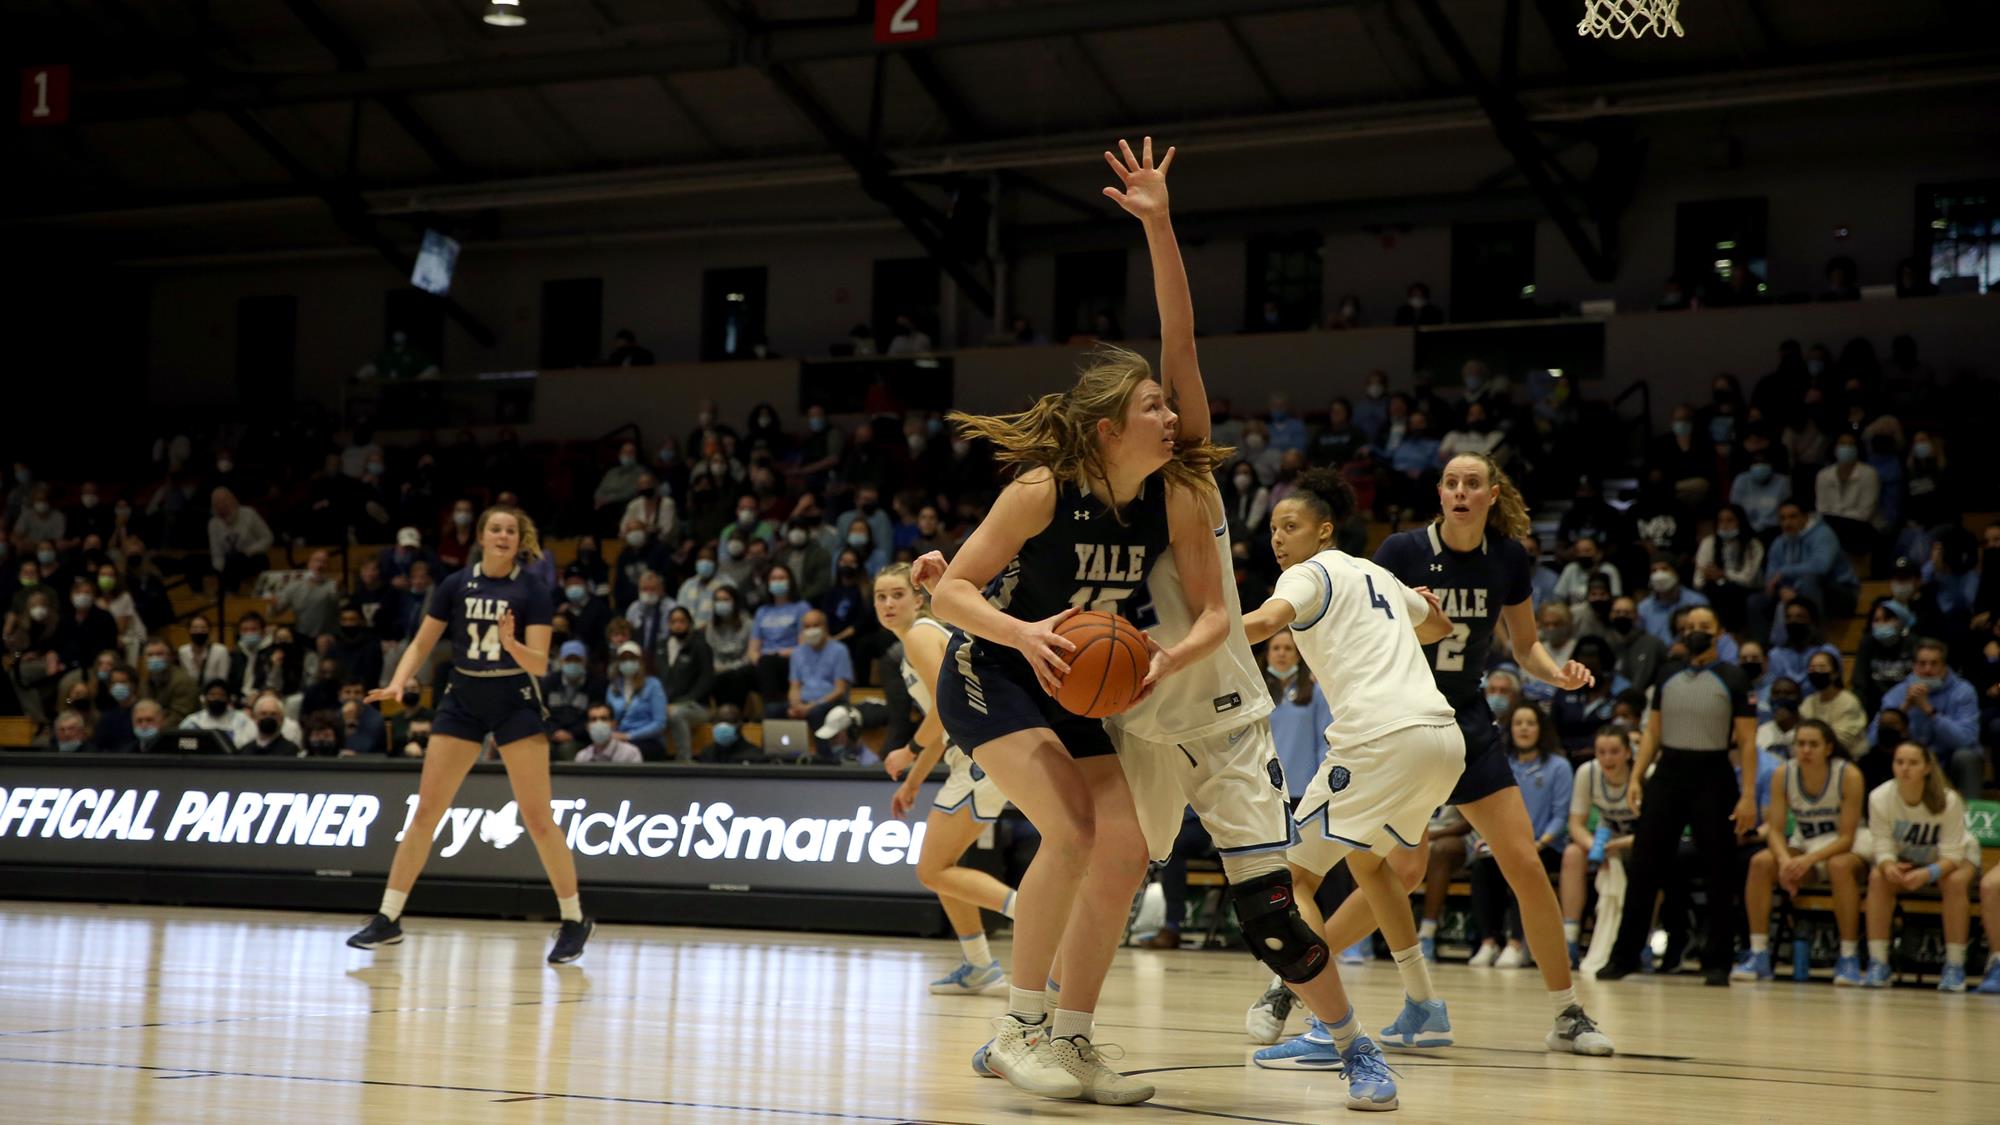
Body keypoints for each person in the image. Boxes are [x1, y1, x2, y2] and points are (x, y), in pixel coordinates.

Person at [921, 143, 1230, 1104]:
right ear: (1108, 428)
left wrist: (1167, 655)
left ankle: (1077, 1034)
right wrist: (1023, 632)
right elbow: (949, 595)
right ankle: (1017, 1028)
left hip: (1080, 686)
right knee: (1069, 828)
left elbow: (1219, 610)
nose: (1169, 415)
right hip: (999, 670)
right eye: (1150, 407)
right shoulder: (1041, 490)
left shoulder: (1172, 497)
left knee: (1126, 846)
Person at [1310, 452, 1614, 1053]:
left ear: (1491, 495)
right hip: (1404, 722)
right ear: (1442, 494)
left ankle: (1567, 1014)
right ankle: (1292, 982)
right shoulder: (1400, 551)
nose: (1460, 491)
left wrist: (1559, 676)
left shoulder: (1506, 558)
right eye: (1451, 482)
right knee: (1403, 870)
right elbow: (1360, 623)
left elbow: (1525, 648)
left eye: (1472, 483)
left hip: (1467, 723)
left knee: (1524, 863)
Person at [1235, 466, 1464, 1107]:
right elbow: (1440, 626)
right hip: (1442, 741)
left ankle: (1331, 1032)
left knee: (1291, 881)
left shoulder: (1308, 573)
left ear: (1324, 530)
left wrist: (1189, 641)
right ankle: (1423, 1003)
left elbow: (1263, 623)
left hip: (1379, 740)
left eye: (1291, 526)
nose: (1279, 538)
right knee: (1370, 863)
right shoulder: (1378, 573)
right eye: (1275, 527)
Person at [343, 505, 592, 965]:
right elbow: (421, 642)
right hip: (463, 698)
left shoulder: (533, 590)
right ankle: (389, 916)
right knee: (425, 812)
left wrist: (512, 642)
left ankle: (575, 919)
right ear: (481, 536)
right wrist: (399, 682)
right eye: (495, 529)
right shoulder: (456, 585)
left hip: (515, 698)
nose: (502, 536)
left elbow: (538, 664)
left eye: (510, 531)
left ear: (520, 541)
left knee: (538, 819)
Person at [1597, 605, 1760, 987]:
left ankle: (1718, 961)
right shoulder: (1667, 673)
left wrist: (1749, 794)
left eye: (1705, 626)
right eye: (1691, 626)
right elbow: (1652, 732)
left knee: (1719, 871)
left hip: (1714, 775)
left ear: (1719, 633)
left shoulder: (1734, 677)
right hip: (1668, 772)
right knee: (1644, 866)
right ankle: (1624, 957)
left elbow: (1749, 742)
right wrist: (1638, 777)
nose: (1697, 631)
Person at [877, 563, 1019, 995]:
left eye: (897, 595)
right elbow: (942, 729)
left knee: (932, 869)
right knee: (943, 869)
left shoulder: (921, 634)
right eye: (880, 597)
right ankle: (979, 966)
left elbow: (943, 709)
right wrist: (913, 783)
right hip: (971, 757)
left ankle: (1036, 913)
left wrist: (909, 752)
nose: (888, 604)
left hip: (981, 756)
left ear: (918, 598)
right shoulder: (918, 640)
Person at [1734, 720, 1867, 983]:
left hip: (1844, 849)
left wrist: (1808, 860)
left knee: (1839, 866)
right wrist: (1785, 862)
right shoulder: (1784, 774)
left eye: (1813, 744)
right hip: (1805, 845)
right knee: (1761, 863)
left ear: (1829, 748)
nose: (1805, 750)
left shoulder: (1849, 775)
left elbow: (1847, 838)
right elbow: (1774, 829)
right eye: (1800, 744)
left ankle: (1848, 957)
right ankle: (1759, 954)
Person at [1862, 742, 1976, 990]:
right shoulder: (1879, 797)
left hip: (1954, 856)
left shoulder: (1948, 799)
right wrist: (1888, 864)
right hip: (1907, 859)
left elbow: (1953, 854)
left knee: (1954, 882)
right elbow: (1881, 843)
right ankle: (1878, 963)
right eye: (1899, 762)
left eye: (1913, 763)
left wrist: (1928, 873)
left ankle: (1955, 966)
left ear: (1926, 768)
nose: (1905, 768)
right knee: (1878, 878)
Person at [1467, 705, 1573, 969]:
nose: (1524, 728)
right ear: (1510, 729)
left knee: (1523, 866)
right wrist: (1485, 837)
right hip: (1507, 844)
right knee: (1482, 867)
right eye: (1518, 723)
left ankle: (1518, 943)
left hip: (1547, 845)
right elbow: (1487, 808)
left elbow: (1561, 816)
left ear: (1541, 729)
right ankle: (1489, 942)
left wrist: (1539, 842)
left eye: (1530, 723)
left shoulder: (1558, 766)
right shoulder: (1503, 764)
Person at [1561, 726, 1640, 967]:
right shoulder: (1588, 773)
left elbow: (1655, 832)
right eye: (1601, 752)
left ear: (1627, 752)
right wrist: (1596, 846)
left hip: (1638, 844)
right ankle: (1570, 940)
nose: (1607, 758)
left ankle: (1641, 942)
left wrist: (1614, 846)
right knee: (1573, 853)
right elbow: (1575, 825)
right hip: (1607, 843)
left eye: (1614, 751)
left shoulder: (1643, 774)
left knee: (1647, 861)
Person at [1867, 639, 1981, 796]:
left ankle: (1971, 814)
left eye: (1934, 664)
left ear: (1944, 666)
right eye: (1922, 664)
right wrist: (1903, 710)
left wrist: (1930, 712)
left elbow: (1966, 739)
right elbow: (1873, 740)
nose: (1928, 670)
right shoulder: (1897, 694)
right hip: (1909, 761)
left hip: (1948, 760)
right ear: (1914, 666)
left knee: (1967, 756)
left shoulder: (1963, 691)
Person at [778, 610, 851, 759]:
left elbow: (840, 689)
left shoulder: (839, 650)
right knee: (772, 710)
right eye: (807, 626)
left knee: (816, 713)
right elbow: (794, 686)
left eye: (816, 625)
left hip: (830, 701)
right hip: (804, 702)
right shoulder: (797, 653)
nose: (811, 630)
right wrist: (795, 705)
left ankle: (825, 759)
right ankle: (779, 757)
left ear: (825, 627)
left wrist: (811, 706)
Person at [660, 607, 713, 762]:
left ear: (690, 623)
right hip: (666, 705)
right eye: (673, 622)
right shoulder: (661, 647)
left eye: (682, 621)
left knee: (676, 713)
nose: (677, 625)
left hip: (697, 706)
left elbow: (706, 681)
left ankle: (684, 760)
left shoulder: (700, 646)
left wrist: (683, 701)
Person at [1816, 433, 1881, 554]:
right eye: (1842, 444)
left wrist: (1838, 517)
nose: (1846, 447)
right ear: (1835, 448)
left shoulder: (1869, 474)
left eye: (1850, 444)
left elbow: (1865, 513)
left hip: (1860, 528)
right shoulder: (1823, 475)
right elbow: (1822, 509)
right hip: (1831, 526)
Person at [605, 640, 668, 762]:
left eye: (632, 658)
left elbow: (659, 724)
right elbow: (610, 718)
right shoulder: (613, 687)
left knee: (624, 754)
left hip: (648, 741)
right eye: (623, 659)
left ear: (640, 661)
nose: (627, 662)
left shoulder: (653, 685)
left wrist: (629, 736)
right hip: (618, 738)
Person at [1799, 650, 1867, 759]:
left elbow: (1842, 740)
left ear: (1835, 673)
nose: (1816, 671)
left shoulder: (1849, 702)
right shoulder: (1808, 702)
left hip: (1849, 759)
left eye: (1821, 667)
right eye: (1812, 668)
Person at [206, 488, 272, 593]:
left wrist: (249, 551)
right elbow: (217, 554)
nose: (222, 504)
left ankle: (229, 591)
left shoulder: (249, 514)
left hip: (254, 558)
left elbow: (267, 538)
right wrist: (220, 571)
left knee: (237, 559)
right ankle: (226, 593)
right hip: (229, 565)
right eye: (217, 502)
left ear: (232, 499)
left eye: (224, 500)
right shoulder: (213, 524)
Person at [541, 640, 599, 756]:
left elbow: (594, 715)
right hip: (552, 734)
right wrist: (554, 731)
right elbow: (541, 712)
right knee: (543, 749)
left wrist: (572, 734)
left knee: (568, 749)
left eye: (577, 660)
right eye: (568, 660)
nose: (573, 664)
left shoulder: (596, 684)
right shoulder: (549, 682)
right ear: (561, 662)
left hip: (580, 737)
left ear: (585, 662)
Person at [136, 637, 196, 729]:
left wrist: (155, 730)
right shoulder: (145, 681)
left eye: (159, 654)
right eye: (150, 655)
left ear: (170, 656)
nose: (154, 658)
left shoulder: (183, 681)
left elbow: (179, 716)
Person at [574, 703, 643, 763]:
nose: (598, 724)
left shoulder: (630, 753)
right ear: (587, 726)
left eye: (604, 719)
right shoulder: (581, 757)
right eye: (593, 719)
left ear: (614, 724)